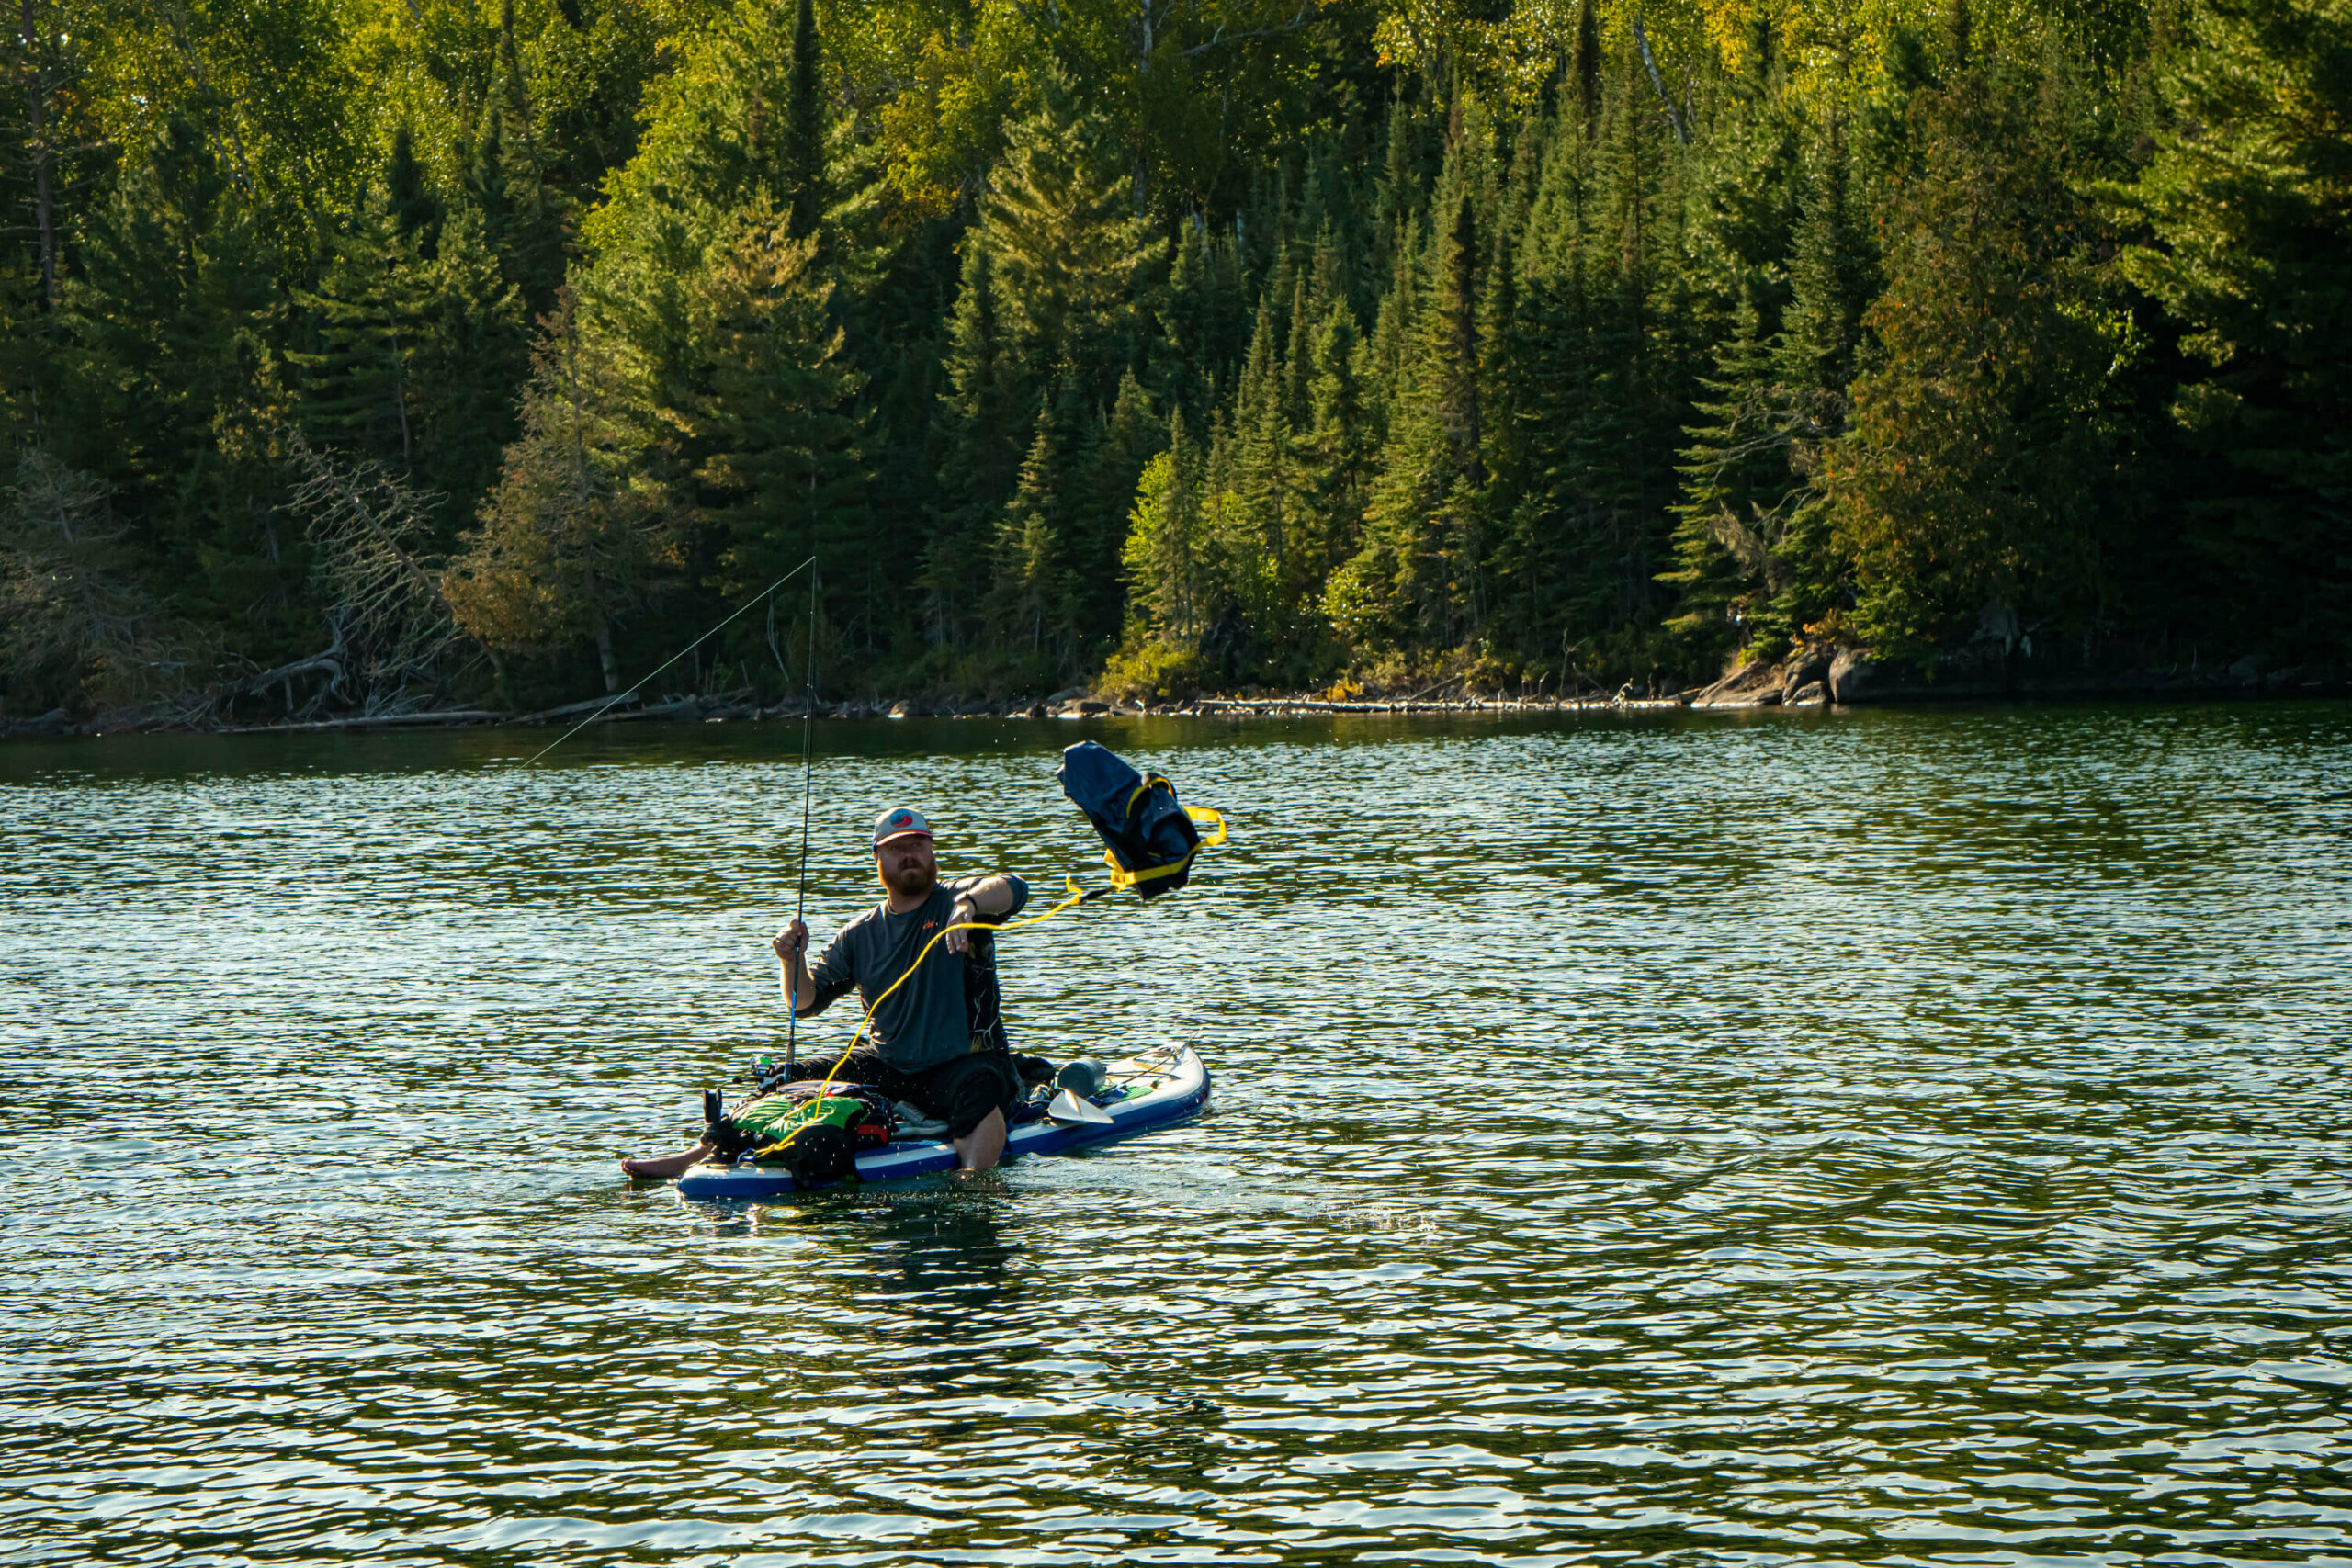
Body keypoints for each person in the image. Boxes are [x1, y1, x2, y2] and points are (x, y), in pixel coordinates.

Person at [622, 807, 1031, 1179]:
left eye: (918, 845)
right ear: (878, 860)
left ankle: (975, 1180)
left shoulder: (956, 901)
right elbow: (805, 1003)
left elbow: (1014, 886)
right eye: (897, 849)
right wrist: (790, 960)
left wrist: (969, 904)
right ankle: (702, 1153)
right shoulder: (859, 934)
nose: (909, 855)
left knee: (980, 1083)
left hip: (962, 1063)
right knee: (783, 1079)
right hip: (887, 1066)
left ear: (931, 852)